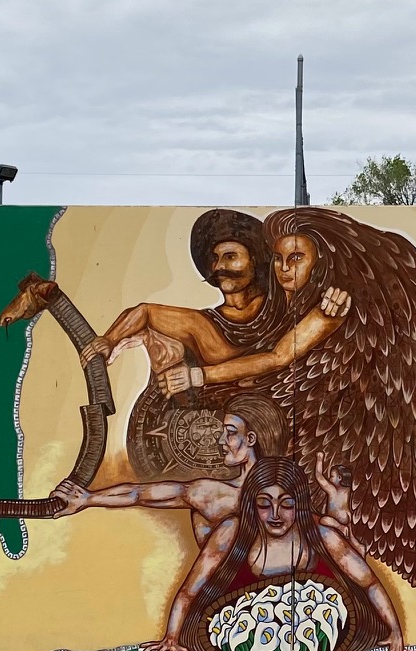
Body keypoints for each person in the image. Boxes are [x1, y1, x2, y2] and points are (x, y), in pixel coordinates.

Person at [140, 456, 405, 651]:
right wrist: (171, 637)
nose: (275, 515)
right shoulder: (231, 533)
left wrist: (394, 631)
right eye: (265, 504)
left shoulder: (323, 535)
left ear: (299, 505)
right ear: (251, 505)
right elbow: (189, 591)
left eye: (286, 504)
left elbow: (368, 583)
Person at [50, 393, 285, 546]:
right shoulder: (210, 492)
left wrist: (89, 499)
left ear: (252, 438)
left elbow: (138, 495)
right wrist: (89, 499)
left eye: (231, 433)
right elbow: (139, 494)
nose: (221, 440)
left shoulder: (213, 494)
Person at [79, 209, 292, 371]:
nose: (219, 267)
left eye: (230, 257)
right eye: (215, 259)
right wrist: (108, 340)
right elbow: (145, 311)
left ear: (254, 261)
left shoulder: (279, 304)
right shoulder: (203, 325)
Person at [155, 225, 351, 397]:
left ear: (318, 262)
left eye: (296, 258)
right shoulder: (273, 304)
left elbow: (278, 358)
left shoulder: (328, 307)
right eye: (277, 258)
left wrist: (198, 376)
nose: (284, 267)